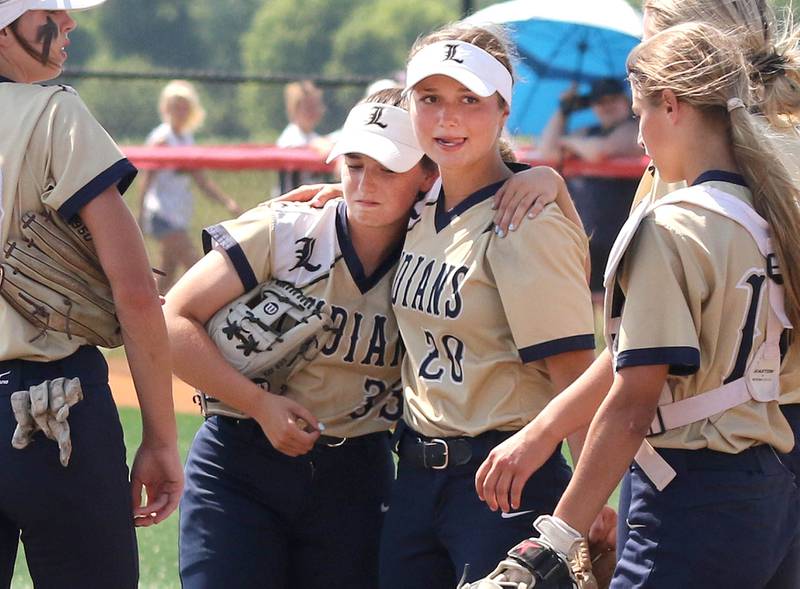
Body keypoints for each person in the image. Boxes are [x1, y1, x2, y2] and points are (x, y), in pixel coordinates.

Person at [481, 21, 800, 588]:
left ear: (672, 106)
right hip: (771, 493)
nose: (640, 135)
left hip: (692, 495)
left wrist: (554, 541)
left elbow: (633, 403)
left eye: (640, 113)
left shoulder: (672, 225)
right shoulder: (770, 212)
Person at [165, 88, 438, 589]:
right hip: (239, 457)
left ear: (428, 175)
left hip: (355, 474)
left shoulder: (436, 253)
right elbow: (171, 322)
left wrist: (542, 179)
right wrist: (258, 403)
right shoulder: (288, 230)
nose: (364, 183)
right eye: (354, 164)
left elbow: (494, 179)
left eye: (387, 168)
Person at [377, 23, 598, 588]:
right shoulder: (423, 206)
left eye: (469, 101)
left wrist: (586, 506)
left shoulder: (524, 220)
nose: (448, 119)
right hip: (417, 481)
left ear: (503, 109)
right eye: (431, 99)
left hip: (505, 481)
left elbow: (571, 370)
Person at [0, 2, 182, 587]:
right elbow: (133, 293)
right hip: (54, 411)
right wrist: (159, 436)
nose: (69, 23)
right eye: (48, 11)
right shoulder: (55, 112)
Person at [539, 77, 643, 300]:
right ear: (592, 106)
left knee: (620, 308)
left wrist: (570, 144)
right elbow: (547, 150)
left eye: (613, 99)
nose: (607, 106)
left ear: (626, 101)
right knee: (582, 305)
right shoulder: (588, 132)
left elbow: (601, 150)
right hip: (588, 238)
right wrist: (564, 110)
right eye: (599, 101)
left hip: (625, 238)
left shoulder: (636, 129)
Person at [138, 79, 240, 293]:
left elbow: (201, 180)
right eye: (176, 106)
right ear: (166, 108)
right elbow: (146, 180)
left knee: (166, 276)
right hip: (161, 214)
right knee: (195, 265)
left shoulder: (185, 139)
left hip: (178, 214)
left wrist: (227, 202)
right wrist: (140, 216)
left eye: (185, 107)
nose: (181, 111)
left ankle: (144, 316)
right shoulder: (162, 139)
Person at [275, 80, 332, 194]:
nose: (313, 111)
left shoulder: (313, 136)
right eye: (307, 107)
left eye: (316, 106)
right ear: (294, 109)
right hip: (289, 201)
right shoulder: (290, 136)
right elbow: (292, 148)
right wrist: (316, 145)